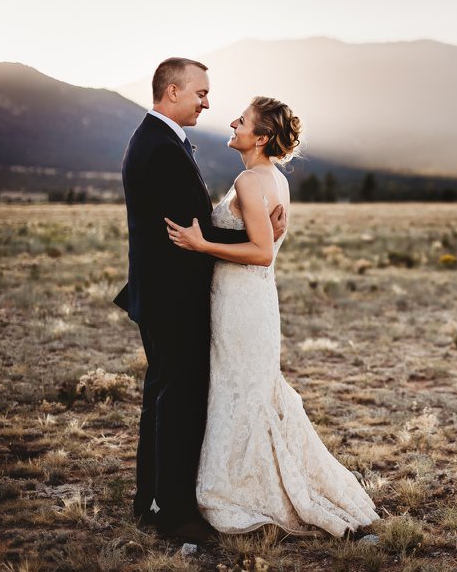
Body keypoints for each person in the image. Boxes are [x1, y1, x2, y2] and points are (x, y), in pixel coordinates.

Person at [164, 96, 378, 537]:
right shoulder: (273, 178)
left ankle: (242, 491)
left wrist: (200, 244)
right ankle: (259, 481)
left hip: (241, 300)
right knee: (248, 388)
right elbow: (262, 240)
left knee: (241, 389)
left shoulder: (248, 180)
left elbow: (261, 252)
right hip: (253, 300)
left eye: (241, 121)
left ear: (260, 138)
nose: (232, 123)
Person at [114, 58, 285, 543]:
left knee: (164, 395)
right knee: (180, 400)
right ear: (172, 91)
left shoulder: (159, 139)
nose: (208, 103)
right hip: (173, 299)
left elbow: (190, 226)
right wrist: (252, 237)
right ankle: (173, 513)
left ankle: (151, 499)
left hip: (167, 294)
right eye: (201, 93)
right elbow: (186, 232)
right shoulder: (161, 147)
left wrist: (251, 235)